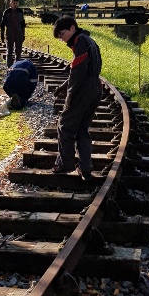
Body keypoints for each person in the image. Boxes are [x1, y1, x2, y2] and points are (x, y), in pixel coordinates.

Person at [51, 16, 103, 179]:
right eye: (59, 37)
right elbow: (86, 69)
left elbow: (79, 72)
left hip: (84, 91)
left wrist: (69, 96)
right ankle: (85, 168)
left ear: (72, 28)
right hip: (95, 88)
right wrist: (63, 86)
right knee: (82, 129)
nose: (62, 38)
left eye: (62, 34)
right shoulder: (90, 41)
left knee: (64, 126)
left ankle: (65, 164)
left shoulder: (80, 41)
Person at [0, 0, 26, 67]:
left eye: (16, 3)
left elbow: (23, 24)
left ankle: (17, 67)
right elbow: (2, 24)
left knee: (18, 51)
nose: (15, 5)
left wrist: (23, 34)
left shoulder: (20, 11)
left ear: (18, 4)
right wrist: (2, 35)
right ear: (10, 3)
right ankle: (9, 67)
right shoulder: (7, 12)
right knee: (10, 51)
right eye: (13, 3)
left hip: (19, 33)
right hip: (10, 33)